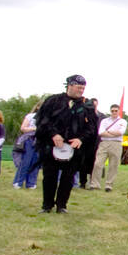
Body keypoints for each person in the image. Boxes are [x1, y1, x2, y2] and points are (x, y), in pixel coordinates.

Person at [35, 74, 98, 214]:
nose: (81, 90)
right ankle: (47, 205)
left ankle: (62, 205)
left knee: (68, 178)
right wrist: (53, 134)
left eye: (83, 88)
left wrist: (80, 139)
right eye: (78, 87)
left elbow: (92, 129)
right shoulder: (53, 101)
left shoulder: (87, 106)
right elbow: (42, 121)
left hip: (74, 149)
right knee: (49, 176)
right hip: (52, 146)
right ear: (69, 85)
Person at [91, 103, 127, 190]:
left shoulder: (123, 121)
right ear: (110, 111)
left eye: (116, 111)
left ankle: (109, 185)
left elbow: (120, 132)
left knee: (113, 165)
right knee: (98, 164)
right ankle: (95, 184)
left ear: (119, 111)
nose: (114, 112)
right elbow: (100, 132)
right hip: (104, 143)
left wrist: (108, 132)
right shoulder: (104, 121)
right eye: (112, 111)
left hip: (116, 144)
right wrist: (113, 133)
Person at [12, 103, 42, 190]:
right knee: (26, 161)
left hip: (40, 141)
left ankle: (31, 183)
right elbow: (23, 128)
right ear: (37, 107)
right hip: (29, 140)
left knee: (35, 162)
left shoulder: (47, 117)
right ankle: (18, 182)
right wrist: (34, 129)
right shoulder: (30, 116)